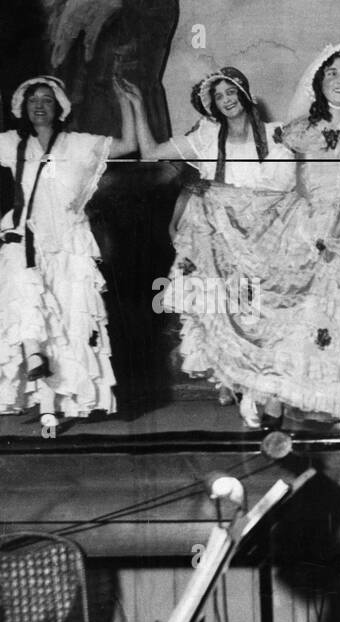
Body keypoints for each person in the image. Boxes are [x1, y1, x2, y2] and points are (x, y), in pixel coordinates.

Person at [120, 69, 298, 426]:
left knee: (266, 319)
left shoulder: (277, 134)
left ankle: (271, 397)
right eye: (218, 96)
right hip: (220, 241)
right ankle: (246, 390)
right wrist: (137, 105)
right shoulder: (207, 136)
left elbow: (292, 184)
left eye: (230, 91)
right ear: (212, 105)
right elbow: (152, 153)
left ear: (244, 92)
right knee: (228, 316)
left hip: (267, 237)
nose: (226, 99)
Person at [0, 75, 136, 423]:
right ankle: (36, 370)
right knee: (29, 306)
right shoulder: (13, 143)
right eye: (33, 100)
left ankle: (56, 406)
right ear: (23, 108)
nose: (39, 105)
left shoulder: (78, 144)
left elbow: (127, 145)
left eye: (47, 99)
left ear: (59, 106)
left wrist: (128, 103)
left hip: (70, 245)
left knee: (68, 323)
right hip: (28, 240)